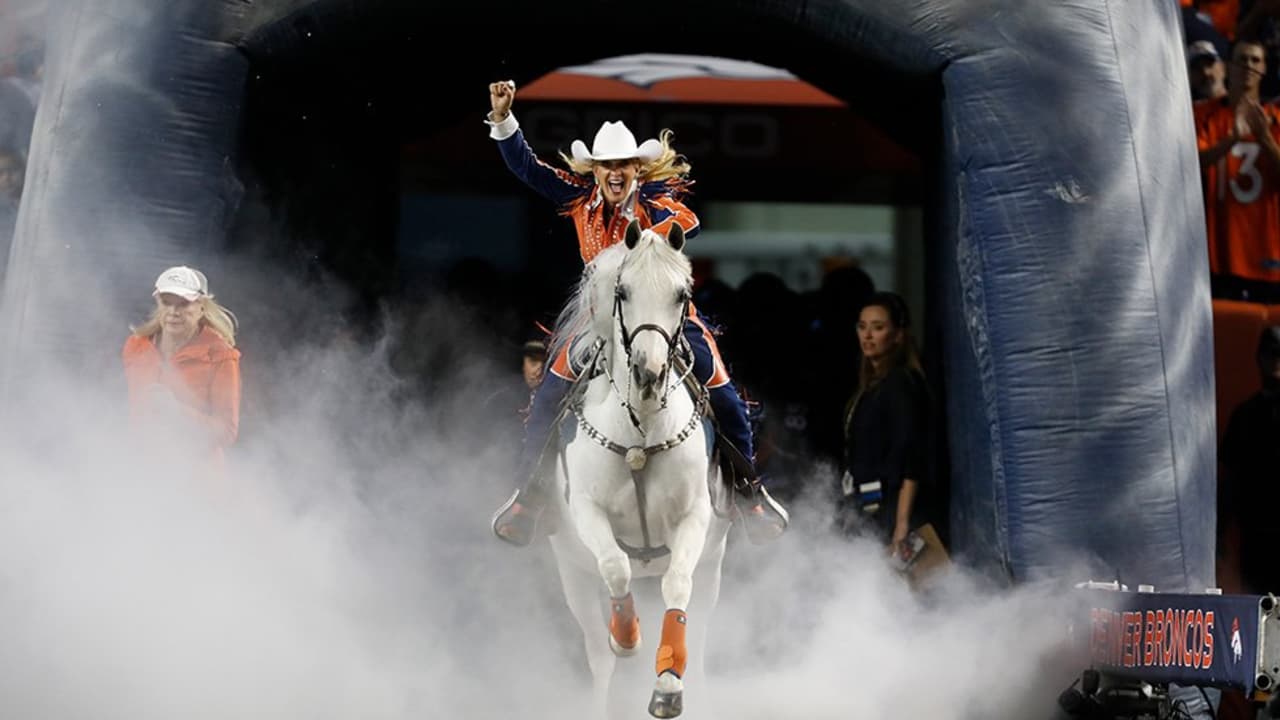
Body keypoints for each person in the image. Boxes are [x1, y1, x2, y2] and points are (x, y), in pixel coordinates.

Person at [484, 79, 787, 546]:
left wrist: (646, 234)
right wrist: (504, 119)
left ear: (637, 170)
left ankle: (749, 495)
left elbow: (690, 221)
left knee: (724, 393)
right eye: (607, 166)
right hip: (598, 321)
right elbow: (528, 168)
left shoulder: (655, 202)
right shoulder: (577, 197)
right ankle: (531, 497)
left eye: (623, 165)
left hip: (664, 317)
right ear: (596, 171)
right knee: (547, 397)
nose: (615, 173)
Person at [838, 291, 931, 560]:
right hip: (867, 506)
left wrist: (901, 525)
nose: (867, 336)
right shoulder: (871, 386)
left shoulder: (900, 384)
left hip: (888, 509)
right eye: (862, 327)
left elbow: (911, 458)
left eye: (878, 328)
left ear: (898, 334)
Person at [122, 266, 241, 471]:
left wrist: (177, 412)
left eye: (184, 304)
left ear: (202, 307)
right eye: (166, 302)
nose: (173, 312)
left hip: (196, 483)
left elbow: (226, 431)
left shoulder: (220, 356)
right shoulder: (136, 347)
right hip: (141, 474)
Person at [1196, 38, 1280, 300]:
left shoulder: (1276, 118)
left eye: (1255, 60)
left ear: (1265, 68)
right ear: (1228, 66)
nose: (1248, 65)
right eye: (1242, 59)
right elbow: (1193, 164)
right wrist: (1231, 139)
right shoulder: (1204, 115)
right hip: (1217, 253)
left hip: (1265, 250)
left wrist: (1265, 139)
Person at [1219, 325, 1280, 596]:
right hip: (1257, 537)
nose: (1276, 362)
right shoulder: (1245, 415)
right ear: (1260, 358)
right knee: (1259, 615)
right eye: (1271, 354)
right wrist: (1219, 533)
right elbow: (1229, 479)